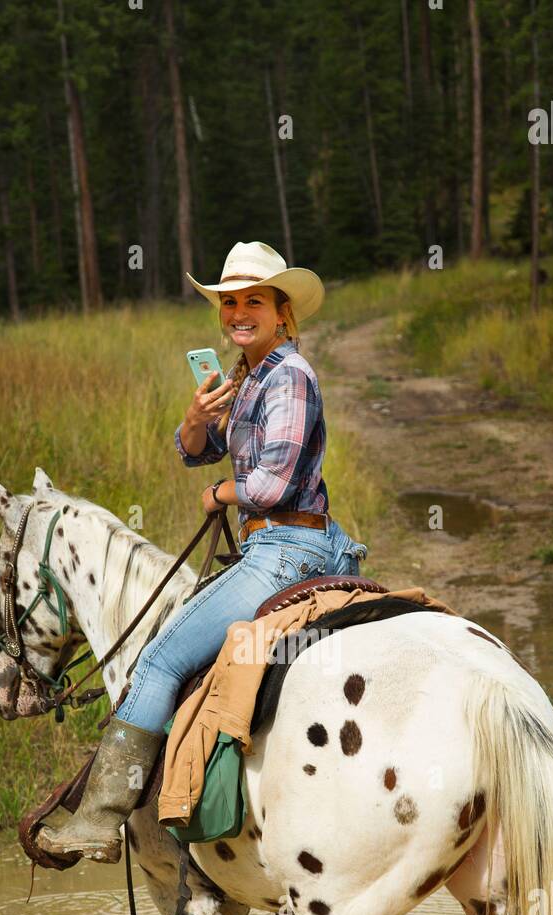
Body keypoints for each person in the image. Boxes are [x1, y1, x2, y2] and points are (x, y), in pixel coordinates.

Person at [38, 240, 368, 863]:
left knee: (161, 658)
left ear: (281, 312)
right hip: (280, 542)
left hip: (286, 550)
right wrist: (196, 416)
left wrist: (219, 493)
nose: (239, 313)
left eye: (253, 302)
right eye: (230, 302)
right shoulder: (250, 376)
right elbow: (194, 448)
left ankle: (100, 820)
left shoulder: (290, 378)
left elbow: (269, 485)